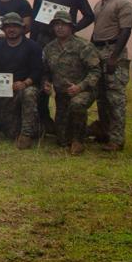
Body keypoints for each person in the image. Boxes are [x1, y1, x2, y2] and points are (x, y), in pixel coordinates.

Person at [40, 9, 101, 154]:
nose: (59, 27)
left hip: (83, 91)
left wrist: (80, 87)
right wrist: (46, 83)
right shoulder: (49, 48)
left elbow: (96, 71)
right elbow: (46, 72)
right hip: (62, 95)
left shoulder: (83, 46)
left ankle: (78, 141)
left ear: (71, 27)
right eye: (56, 24)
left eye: (63, 24)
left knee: (77, 104)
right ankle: (93, 130)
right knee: (62, 139)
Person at [0, 13, 44, 143]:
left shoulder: (33, 47)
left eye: (15, 26)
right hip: (6, 89)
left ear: (22, 28)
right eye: (8, 26)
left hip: (28, 85)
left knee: (29, 94)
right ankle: (33, 128)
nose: (11, 29)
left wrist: (25, 83)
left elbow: (38, 71)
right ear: (3, 29)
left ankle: (26, 134)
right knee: (10, 133)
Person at [91, 0, 132, 151]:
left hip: (113, 51)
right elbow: (97, 30)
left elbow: (126, 31)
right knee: (101, 97)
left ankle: (117, 140)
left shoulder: (123, 3)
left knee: (115, 98)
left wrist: (114, 57)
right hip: (98, 50)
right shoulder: (99, 4)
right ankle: (105, 133)